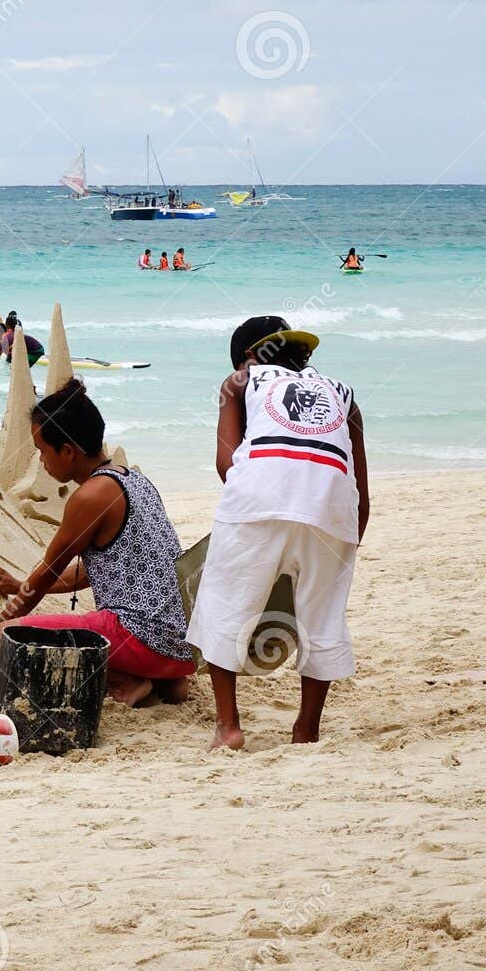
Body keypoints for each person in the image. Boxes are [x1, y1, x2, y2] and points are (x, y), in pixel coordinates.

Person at [187, 316, 370, 751]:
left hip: (259, 500)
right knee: (321, 617)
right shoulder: (343, 393)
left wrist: (258, 495)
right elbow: (359, 482)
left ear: (250, 356)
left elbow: (225, 463)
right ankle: (306, 730)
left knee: (222, 605)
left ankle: (228, 728)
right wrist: (350, 535)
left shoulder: (239, 381)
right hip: (334, 508)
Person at [0, 380, 195, 706]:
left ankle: (126, 677)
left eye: (43, 450)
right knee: (160, 674)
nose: (41, 460)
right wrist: (17, 585)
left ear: (68, 451)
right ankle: (160, 681)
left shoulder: (90, 496)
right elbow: (92, 572)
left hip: (136, 636)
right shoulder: (135, 480)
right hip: (180, 645)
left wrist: (0, 621)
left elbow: (46, 572)